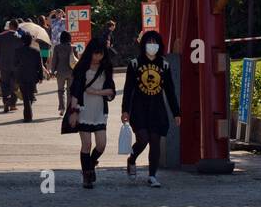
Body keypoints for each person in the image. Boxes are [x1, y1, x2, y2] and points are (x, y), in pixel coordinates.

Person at [122, 30, 182, 188]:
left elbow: (170, 90)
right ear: (143, 45)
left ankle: (152, 175)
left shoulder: (164, 64)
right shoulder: (134, 64)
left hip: (157, 108)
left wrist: (176, 112)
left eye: (155, 43)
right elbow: (128, 89)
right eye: (149, 42)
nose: (152, 46)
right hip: (138, 108)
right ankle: (132, 159)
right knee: (143, 139)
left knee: (155, 141)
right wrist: (125, 110)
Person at [66, 37, 116, 189]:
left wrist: (97, 92)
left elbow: (111, 91)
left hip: (100, 111)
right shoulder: (82, 68)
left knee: (101, 145)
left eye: (100, 54)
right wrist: (73, 112)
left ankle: (91, 163)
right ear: (90, 53)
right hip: (83, 110)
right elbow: (75, 92)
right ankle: (86, 176)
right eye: (95, 54)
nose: (97, 57)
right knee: (86, 145)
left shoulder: (106, 67)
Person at [14, 30, 47, 122]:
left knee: (25, 96)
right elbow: (39, 65)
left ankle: (27, 115)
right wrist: (41, 77)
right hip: (33, 76)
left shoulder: (18, 51)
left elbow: (15, 63)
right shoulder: (36, 51)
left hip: (21, 75)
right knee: (30, 95)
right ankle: (28, 113)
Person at [0, 20, 21, 112]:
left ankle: (6, 101)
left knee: (4, 83)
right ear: (17, 27)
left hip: (3, 65)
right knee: (14, 85)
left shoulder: (1, 36)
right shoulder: (20, 38)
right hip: (16, 65)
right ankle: (12, 104)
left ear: (9, 27)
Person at [49, 30, 75, 112]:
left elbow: (54, 60)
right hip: (71, 72)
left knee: (60, 90)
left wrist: (52, 71)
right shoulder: (73, 47)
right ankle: (69, 108)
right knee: (70, 91)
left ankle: (61, 108)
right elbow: (76, 60)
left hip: (60, 72)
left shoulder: (57, 47)